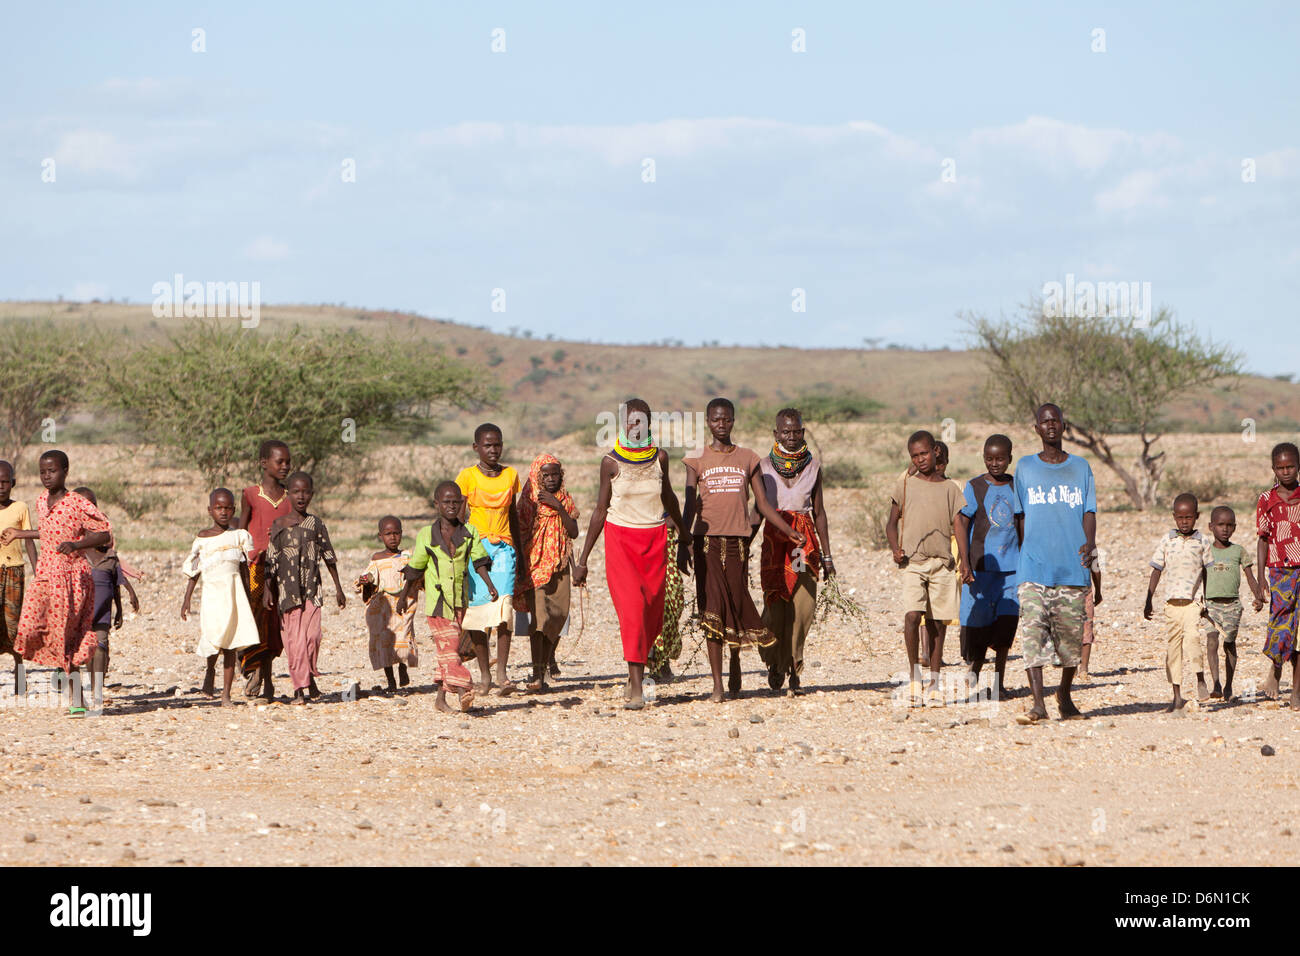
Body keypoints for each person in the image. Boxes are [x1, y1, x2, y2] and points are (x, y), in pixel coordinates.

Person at [681, 398, 803, 702]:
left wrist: (789, 531)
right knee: (711, 609)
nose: (721, 425)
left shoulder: (749, 458)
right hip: (705, 543)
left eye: (727, 420)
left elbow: (762, 504)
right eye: (715, 420)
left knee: (735, 603)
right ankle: (717, 685)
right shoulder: (695, 458)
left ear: (733, 421)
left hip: (738, 543)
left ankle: (735, 661)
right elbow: (687, 504)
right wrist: (683, 543)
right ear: (708, 422)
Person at [575, 400, 687, 709]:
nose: (633, 427)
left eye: (640, 421)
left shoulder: (660, 458)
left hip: (655, 541)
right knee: (634, 611)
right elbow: (600, 510)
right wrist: (583, 560)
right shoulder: (610, 462)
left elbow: (669, 498)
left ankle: (637, 672)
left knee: (652, 612)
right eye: (628, 421)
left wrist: (686, 537)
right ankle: (638, 688)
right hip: (621, 542)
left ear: (648, 424)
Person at [0, 451, 111, 716]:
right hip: (46, 574)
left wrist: (77, 544)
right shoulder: (40, 501)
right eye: (42, 472)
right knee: (28, 629)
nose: (47, 476)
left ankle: (78, 698)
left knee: (64, 634)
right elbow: (48, 532)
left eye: (52, 471)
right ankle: (65, 664)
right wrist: (19, 534)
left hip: (71, 576)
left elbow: (104, 532)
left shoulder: (76, 502)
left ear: (65, 471)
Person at [1012, 403, 1097, 724]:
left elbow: (1089, 512)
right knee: (1032, 634)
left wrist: (1089, 546)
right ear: (1036, 428)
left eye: (1055, 421)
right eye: (1044, 421)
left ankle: (1064, 694)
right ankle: (1038, 704)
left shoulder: (1081, 467)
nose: (1050, 425)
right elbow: (1020, 516)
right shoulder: (1025, 468)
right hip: (1033, 567)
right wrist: (1028, 551)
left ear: (1064, 426)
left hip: (1072, 566)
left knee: (1070, 642)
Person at [754, 408, 834, 696]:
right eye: (785, 432)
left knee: (802, 607)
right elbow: (757, 511)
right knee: (776, 606)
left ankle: (794, 669)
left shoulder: (813, 468)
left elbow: (820, 513)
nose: (791, 437)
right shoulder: (761, 467)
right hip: (775, 544)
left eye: (796, 431)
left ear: (803, 432)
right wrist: (740, 547)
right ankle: (774, 662)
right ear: (776, 434)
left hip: (804, 545)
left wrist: (827, 556)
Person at [397, 482, 496, 714]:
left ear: (461, 504)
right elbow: (415, 568)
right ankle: (464, 690)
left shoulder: (469, 533)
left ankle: (440, 700)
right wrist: (404, 597)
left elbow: (480, 561)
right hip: (438, 603)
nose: (451, 506)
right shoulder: (426, 535)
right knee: (451, 648)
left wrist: (490, 586)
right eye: (446, 502)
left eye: (455, 502)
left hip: (460, 601)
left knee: (447, 652)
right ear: (437, 504)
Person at [886, 430, 963, 704]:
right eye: (914, 455)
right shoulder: (906, 484)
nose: (920, 459)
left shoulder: (950, 488)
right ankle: (915, 676)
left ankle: (935, 681)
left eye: (924, 453)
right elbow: (891, 522)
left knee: (937, 623)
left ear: (936, 452)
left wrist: (964, 560)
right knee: (912, 616)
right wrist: (895, 549)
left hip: (942, 563)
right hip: (912, 563)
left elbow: (959, 525)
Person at [263, 472, 345, 705]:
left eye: (305, 492)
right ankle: (300, 689)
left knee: (313, 636)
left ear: (312, 494)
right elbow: (271, 558)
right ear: (288, 494)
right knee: (294, 640)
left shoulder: (316, 524)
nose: (301, 496)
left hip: (311, 588)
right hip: (287, 592)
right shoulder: (278, 525)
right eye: (296, 491)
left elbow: (328, 555)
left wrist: (338, 587)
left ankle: (308, 675)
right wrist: (268, 589)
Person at [456, 423, 521, 696]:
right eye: (487, 445)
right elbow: (458, 517)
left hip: (505, 549)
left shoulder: (511, 476)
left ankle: (502, 673)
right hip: (476, 548)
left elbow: (514, 515)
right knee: (480, 612)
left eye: (497, 445)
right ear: (476, 448)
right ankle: (484, 675)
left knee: (505, 610)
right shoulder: (467, 476)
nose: (493, 450)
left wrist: (522, 553)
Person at [954, 434, 1019, 701]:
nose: (995, 463)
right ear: (984, 458)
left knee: (1007, 625)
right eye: (990, 459)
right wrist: (965, 561)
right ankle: (975, 671)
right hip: (980, 568)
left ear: (1009, 459)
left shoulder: (1018, 487)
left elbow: (1024, 523)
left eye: (1000, 458)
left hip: (1012, 569)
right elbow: (961, 522)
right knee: (977, 625)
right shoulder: (974, 487)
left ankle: (999, 683)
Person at [181, 488, 259, 705]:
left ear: (234, 509)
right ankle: (209, 669)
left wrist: (250, 597)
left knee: (230, 644)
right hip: (212, 596)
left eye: (227, 508)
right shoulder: (202, 539)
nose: (223, 512)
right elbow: (194, 571)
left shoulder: (239, 536)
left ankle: (225, 694)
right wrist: (186, 599)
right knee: (213, 637)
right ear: (210, 510)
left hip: (234, 596)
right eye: (218, 508)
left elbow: (244, 569)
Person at [513, 454, 579, 693]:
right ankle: (537, 671)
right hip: (535, 566)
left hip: (560, 567)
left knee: (558, 616)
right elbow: (519, 532)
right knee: (539, 620)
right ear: (538, 476)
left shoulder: (564, 499)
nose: (551, 479)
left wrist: (558, 506)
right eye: (546, 475)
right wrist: (520, 564)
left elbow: (572, 532)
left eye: (555, 474)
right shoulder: (529, 501)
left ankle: (548, 659)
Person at [1144, 493, 1215, 712]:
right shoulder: (1167, 540)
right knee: (1173, 650)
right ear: (1174, 517)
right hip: (1171, 604)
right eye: (1180, 517)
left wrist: (1208, 601)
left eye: (1189, 517)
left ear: (1197, 517)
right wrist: (1148, 599)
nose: (1184, 522)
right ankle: (1176, 696)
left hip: (1193, 603)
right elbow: (1157, 569)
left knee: (1193, 641)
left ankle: (1200, 678)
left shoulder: (1202, 541)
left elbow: (1208, 572)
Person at [74, 487, 139, 702]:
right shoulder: (72, 551)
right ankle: (77, 696)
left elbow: (115, 578)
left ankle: (97, 690)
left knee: (100, 643)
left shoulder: (108, 556)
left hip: (102, 610)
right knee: (80, 647)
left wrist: (120, 607)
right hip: (77, 609)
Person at [239, 440, 292, 700]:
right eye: (279, 461)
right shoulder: (250, 494)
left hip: (282, 568)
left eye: (287, 462)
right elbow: (240, 531)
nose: (285, 466)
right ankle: (254, 669)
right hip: (255, 567)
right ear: (264, 463)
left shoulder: (291, 497)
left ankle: (268, 678)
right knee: (254, 620)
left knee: (273, 623)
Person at [1256, 442, 1300, 705]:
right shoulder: (1266, 500)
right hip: (1280, 569)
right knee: (1281, 622)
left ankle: (1296, 690)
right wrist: (1261, 577)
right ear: (1273, 468)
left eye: (1291, 466)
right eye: (1281, 467)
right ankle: (1276, 668)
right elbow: (1263, 539)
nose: (1286, 472)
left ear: (1298, 466)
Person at [1203, 505, 1261, 700]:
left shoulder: (1239, 551)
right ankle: (1216, 683)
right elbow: (1196, 577)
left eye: (1229, 525)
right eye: (1220, 525)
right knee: (1212, 642)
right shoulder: (1205, 551)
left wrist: (1258, 596)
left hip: (1232, 606)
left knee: (1229, 644)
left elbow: (1250, 577)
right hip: (1210, 606)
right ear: (1211, 526)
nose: (1225, 529)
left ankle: (1228, 685)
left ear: (1234, 528)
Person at [356, 516, 418, 695]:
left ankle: (403, 669)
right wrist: (365, 579)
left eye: (396, 533)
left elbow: (416, 575)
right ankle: (391, 680)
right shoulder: (377, 558)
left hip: (404, 605)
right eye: (388, 534)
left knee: (403, 637)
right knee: (385, 643)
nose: (393, 537)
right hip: (384, 609)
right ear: (380, 536)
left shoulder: (407, 556)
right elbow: (370, 575)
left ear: (402, 534)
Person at [0, 460, 37, 694]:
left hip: (14, 572)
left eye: (5, 482)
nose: (0, 486)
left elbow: (28, 541)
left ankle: (19, 671)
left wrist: (40, 571)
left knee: (13, 625)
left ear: (13, 483)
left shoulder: (20, 508)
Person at [1077, 564, 1104, 681]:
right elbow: (1095, 569)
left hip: (1063, 588)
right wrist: (1098, 591)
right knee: (1087, 627)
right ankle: (1084, 668)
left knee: (1068, 629)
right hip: (1084, 588)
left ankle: (1070, 667)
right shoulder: (1089, 545)